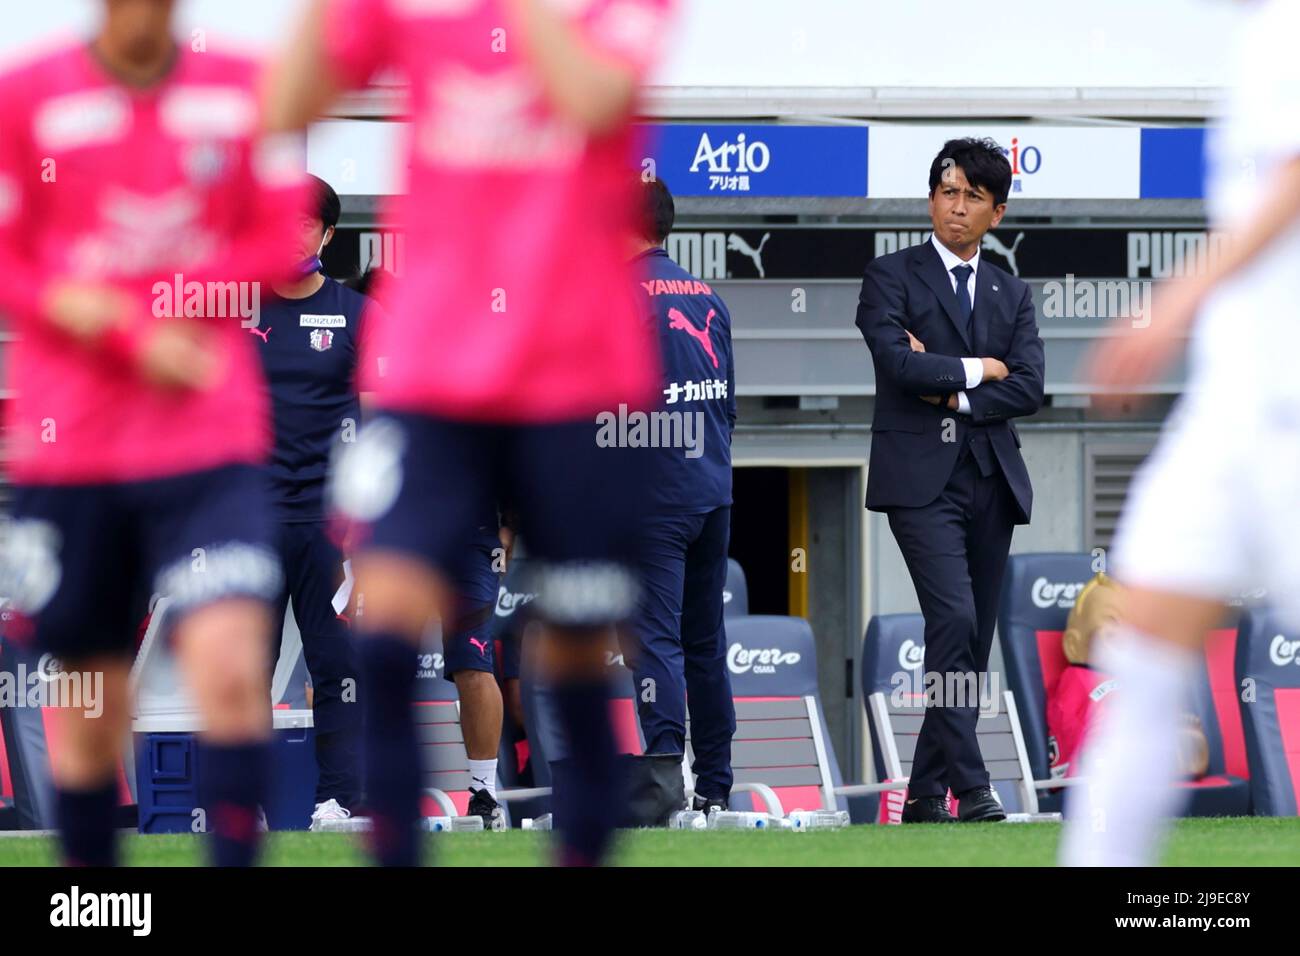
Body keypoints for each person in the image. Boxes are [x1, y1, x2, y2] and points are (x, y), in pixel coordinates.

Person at [264, 0, 676, 865]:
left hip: (572, 369)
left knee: (573, 645)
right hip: (436, 370)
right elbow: (287, 104)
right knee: (380, 627)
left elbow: (594, 98)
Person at [0, 0, 305, 865]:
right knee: (92, 706)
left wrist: (186, 293)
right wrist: (104, 318)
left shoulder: (242, 89)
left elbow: (272, 233)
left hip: (208, 440)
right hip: (76, 451)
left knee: (233, 671)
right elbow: (10, 255)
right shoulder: (27, 94)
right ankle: (97, 901)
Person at [1065, 0, 1300, 867]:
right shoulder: (1256, 38)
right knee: (1146, 638)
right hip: (1230, 406)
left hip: (1289, 418)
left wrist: (1172, 303)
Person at [855, 137, 1044, 824]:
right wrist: (979, 368)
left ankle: (926, 794)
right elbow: (897, 366)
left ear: (997, 212)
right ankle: (973, 784)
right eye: (946, 192)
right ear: (931, 198)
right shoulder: (891, 277)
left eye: (972, 197)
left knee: (971, 636)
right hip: (920, 481)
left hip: (993, 478)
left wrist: (954, 388)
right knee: (955, 619)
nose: (955, 207)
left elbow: (1029, 386)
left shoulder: (1011, 290)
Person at [256, 174, 367, 828]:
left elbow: (382, 429)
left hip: (332, 527)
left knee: (337, 667)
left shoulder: (358, 316)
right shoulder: (240, 311)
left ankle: (338, 801)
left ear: (327, 234)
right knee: (246, 666)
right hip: (253, 520)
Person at [624, 176, 736, 821]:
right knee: (705, 642)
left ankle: (666, 786)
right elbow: (728, 404)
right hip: (711, 491)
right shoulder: (709, 295)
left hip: (654, 496)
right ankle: (715, 787)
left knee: (657, 643)